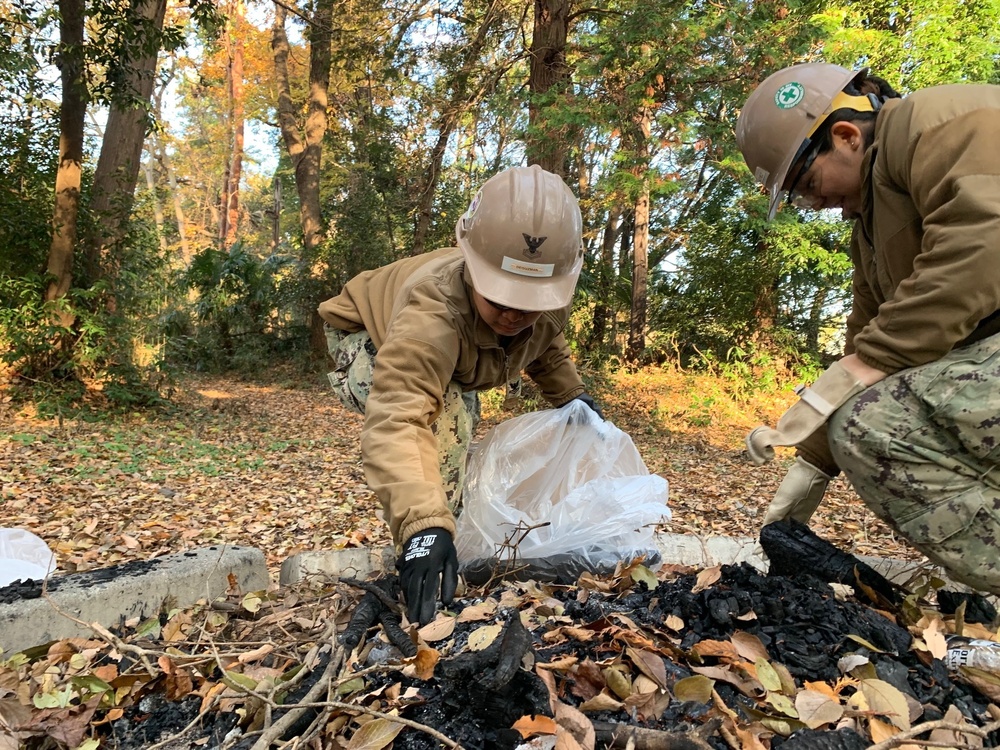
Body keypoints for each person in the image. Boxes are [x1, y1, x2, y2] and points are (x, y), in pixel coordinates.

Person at [735, 62, 1000, 595]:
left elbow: (985, 237)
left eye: (808, 184)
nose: (814, 205)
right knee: (860, 420)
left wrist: (867, 365)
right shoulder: (871, 226)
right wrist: (812, 460)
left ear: (846, 135)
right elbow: (867, 330)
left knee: (871, 423)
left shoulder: (937, 122)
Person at [318, 165, 602, 625]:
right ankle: (428, 556)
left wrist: (572, 395)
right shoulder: (432, 314)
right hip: (362, 341)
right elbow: (399, 417)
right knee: (447, 417)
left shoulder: (547, 301)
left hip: (454, 361)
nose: (513, 315)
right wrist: (423, 528)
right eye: (500, 299)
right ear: (471, 269)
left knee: (460, 414)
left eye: (528, 304)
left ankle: (449, 536)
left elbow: (546, 345)